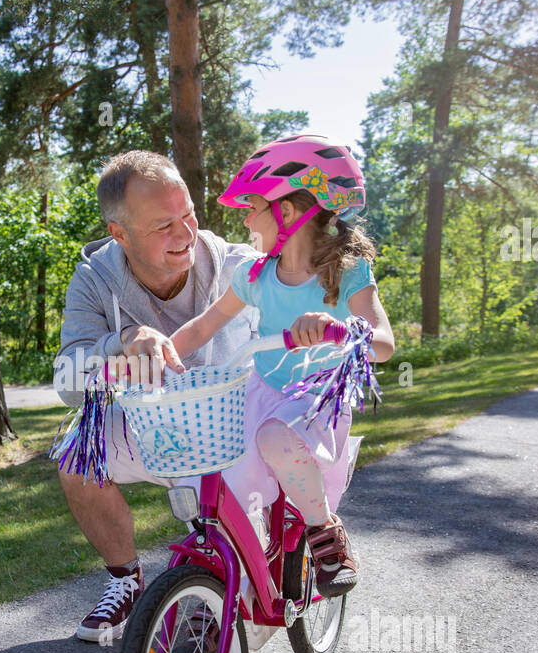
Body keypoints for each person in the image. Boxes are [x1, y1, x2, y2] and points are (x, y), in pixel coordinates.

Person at [169, 132, 395, 594]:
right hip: (262, 391)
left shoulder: (347, 272)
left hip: (316, 401)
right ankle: (221, 585)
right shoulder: (254, 274)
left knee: (276, 438)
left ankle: (323, 531)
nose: (246, 220)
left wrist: (342, 330)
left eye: (253, 207)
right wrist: (158, 356)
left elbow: (384, 343)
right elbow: (201, 328)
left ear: (287, 212)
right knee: (212, 471)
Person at [54, 151, 258, 641]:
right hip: (156, 428)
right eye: (164, 225)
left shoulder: (240, 268)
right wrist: (121, 342)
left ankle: (224, 588)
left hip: (234, 433)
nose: (185, 233)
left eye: (187, 213)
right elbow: (66, 380)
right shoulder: (95, 278)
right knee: (75, 457)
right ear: (118, 233)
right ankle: (126, 579)